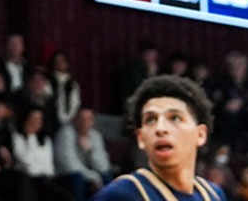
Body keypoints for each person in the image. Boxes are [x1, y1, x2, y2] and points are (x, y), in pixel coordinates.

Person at [91, 77, 225, 201]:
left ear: (200, 134)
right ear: (141, 138)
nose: (160, 128)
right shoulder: (121, 194)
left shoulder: (213, 194)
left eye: (175, 118)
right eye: (150, 120)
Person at [54, 108, 112, 201]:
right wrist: (93, 177)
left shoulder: (95, 136)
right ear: (75, 120)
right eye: (81, 119)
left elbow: (103, 166)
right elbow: (69, 165)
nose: (84, 122)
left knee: (106, 176)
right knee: (78, 178)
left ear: (93, 122)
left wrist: (90, 151)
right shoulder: (66, 133)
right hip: (66, 175)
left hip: (89, 174)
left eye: (89, 119)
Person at [12, 108, 62, 201]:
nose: (36, 122)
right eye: (33, 119)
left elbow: (48, 166)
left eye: (39, 119)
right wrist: (30, 136)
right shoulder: (17, 137)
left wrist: (46, 176)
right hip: (26, 179)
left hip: (44, 179)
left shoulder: (46, 140)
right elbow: (27, 162)